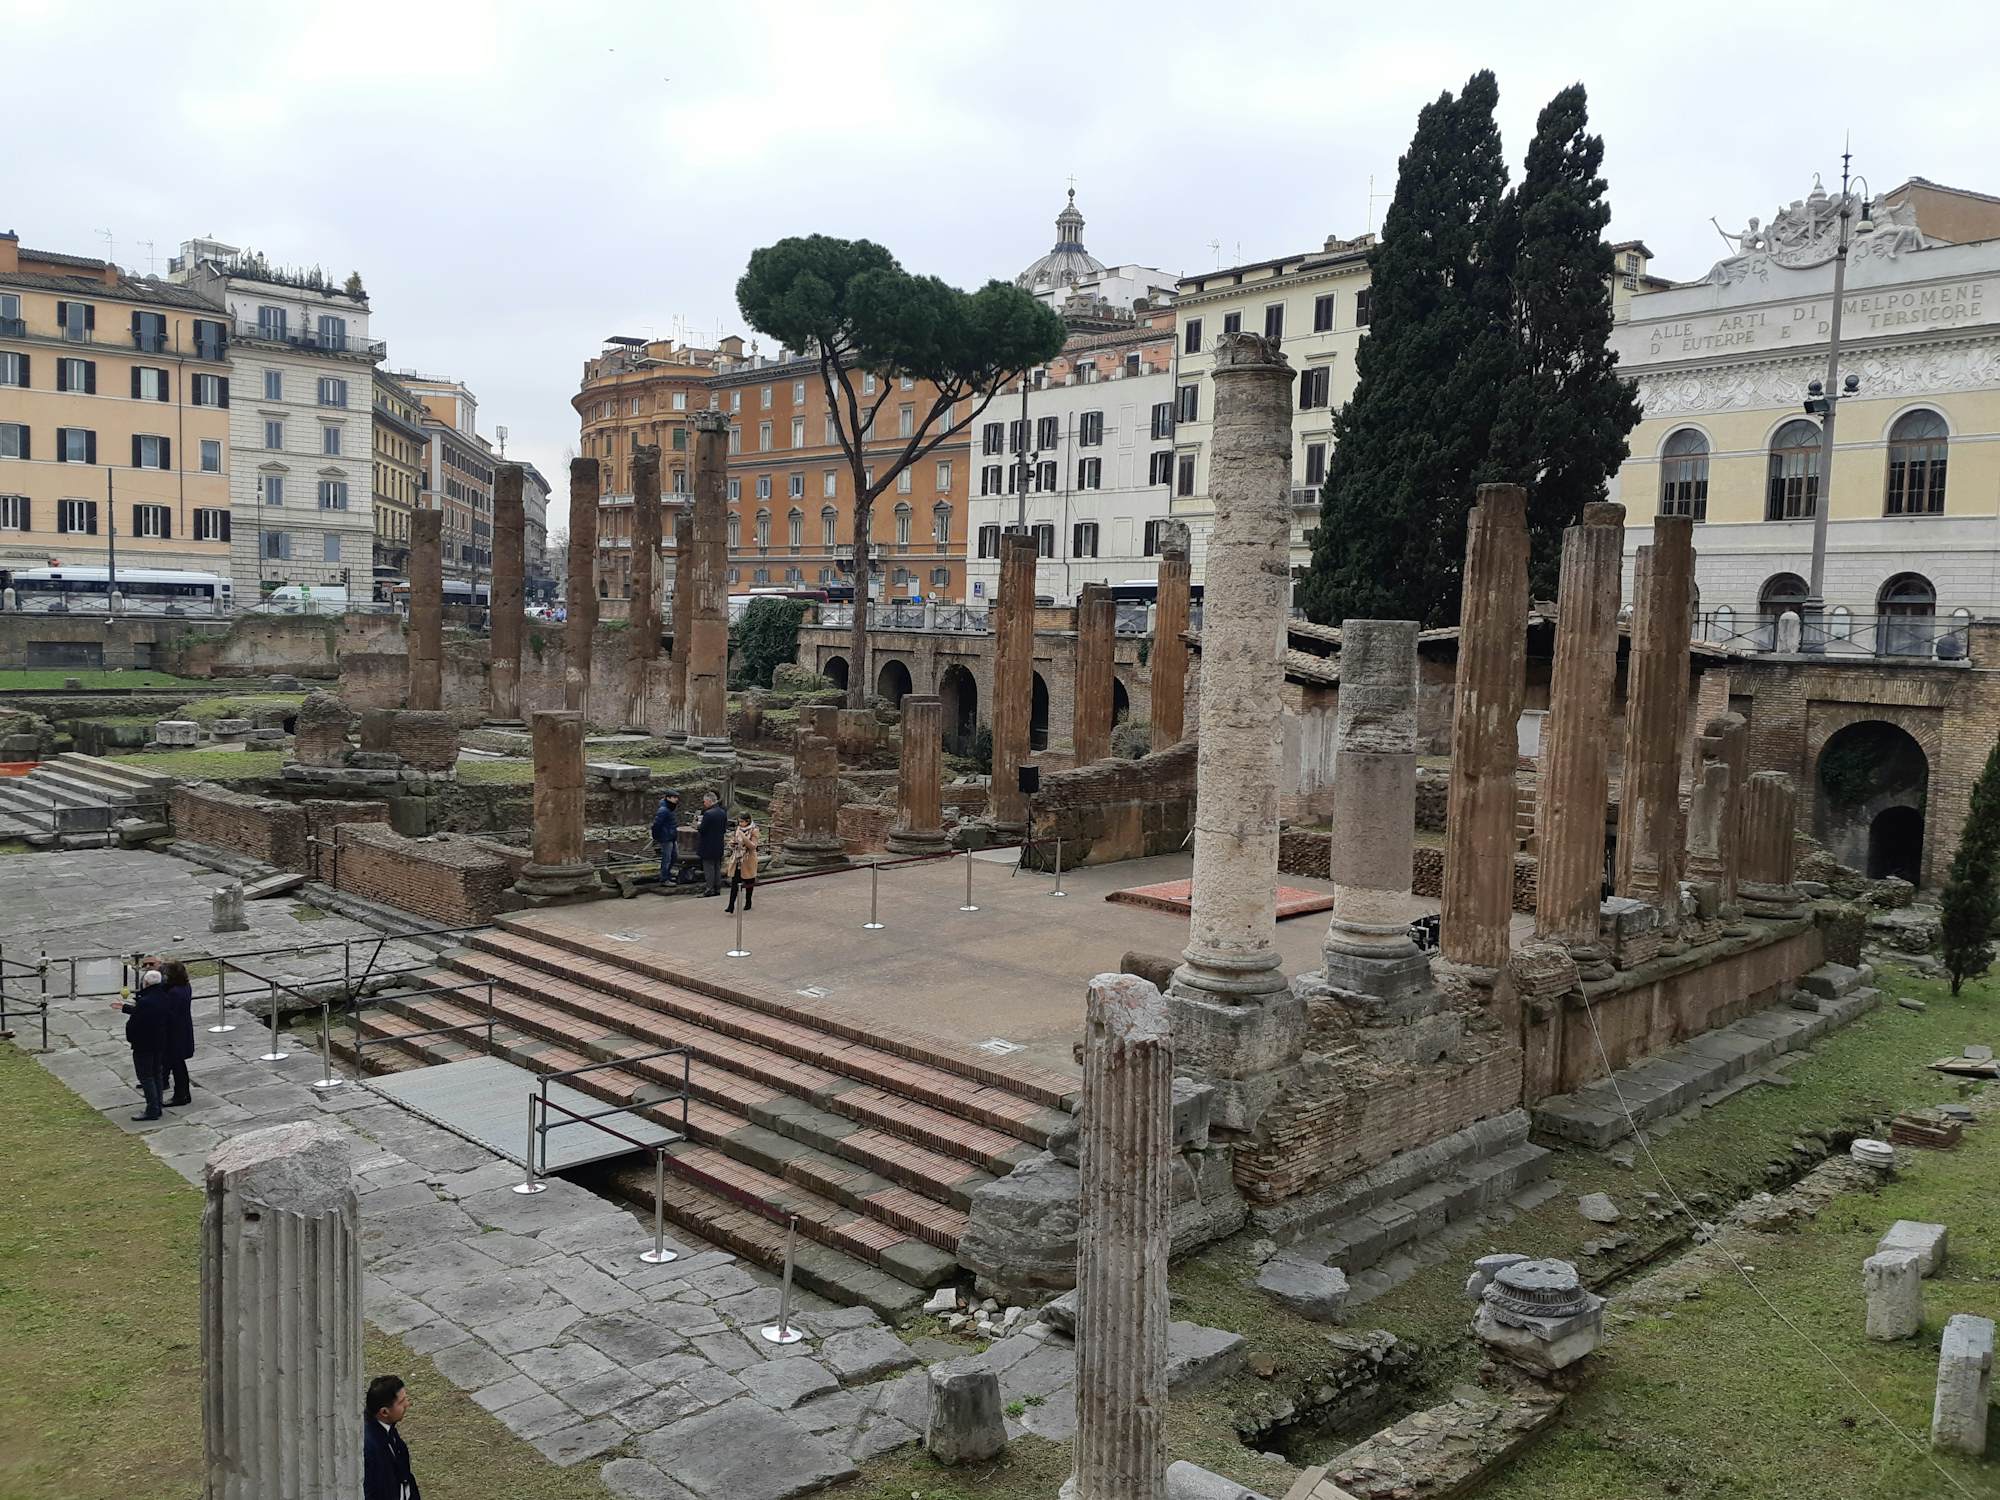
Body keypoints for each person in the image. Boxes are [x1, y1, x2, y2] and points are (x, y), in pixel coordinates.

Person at [116, 964, 170, 1122]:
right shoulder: (163, 996)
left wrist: (131, 1036)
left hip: (144, 1043)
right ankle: (158, 1104)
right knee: (156, 1074)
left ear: (145, 983)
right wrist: (125, 1007)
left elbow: (138, 1020)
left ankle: (152, 1108)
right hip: (159, 1041)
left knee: (146, 1076)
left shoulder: (145, 1001)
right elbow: (145, 1013)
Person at [363, 1375, 420, 1500]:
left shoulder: (387, 1428)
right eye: (401, 1402)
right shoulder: (370, 1447)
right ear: (384, 1412)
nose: (407, 1404)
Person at [157, 959, 196, 1107]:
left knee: (177, 1064)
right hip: (183, 1029)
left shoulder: (174, 992)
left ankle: (181, 1094)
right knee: (178, 1064)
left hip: (175, 1033)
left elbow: (168, 1013)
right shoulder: (185, 986)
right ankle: (182, 1093)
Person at [724, 811, 759, 914]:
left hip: (748, 860)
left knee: (749, 882)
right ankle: (731, 905)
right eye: (739, 822)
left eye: (742, 822)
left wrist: (743, 837)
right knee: (735, 883)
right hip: (738, 859)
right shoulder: (738, 829)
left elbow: (753, 846)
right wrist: (732, 843)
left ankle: (748, 901)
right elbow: (734, 839)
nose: (740, 824)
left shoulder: (754, 830)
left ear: (747, 821)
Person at [696, 791, 728, 898]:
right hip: (718, 843)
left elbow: (702, 829)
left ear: (709, 801)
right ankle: (717, 888)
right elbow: (724, 829)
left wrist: (698, 825)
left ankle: (709, 889)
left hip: (708, 845)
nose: (704, 803)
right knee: (717, 867)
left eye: (705, 801)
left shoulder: (708, 814)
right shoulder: (723, 812)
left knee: (709, 868)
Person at [651, 790, 682, 888]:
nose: (676, 799)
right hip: (666, 838)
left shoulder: (670, 808)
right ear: (668, 798)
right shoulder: (664, 810)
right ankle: (664, 879)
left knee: (674, 856)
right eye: (674, 797)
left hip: (671, 836)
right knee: (667, 858)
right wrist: (656, 836)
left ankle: (667, 875)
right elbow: (656, 824)